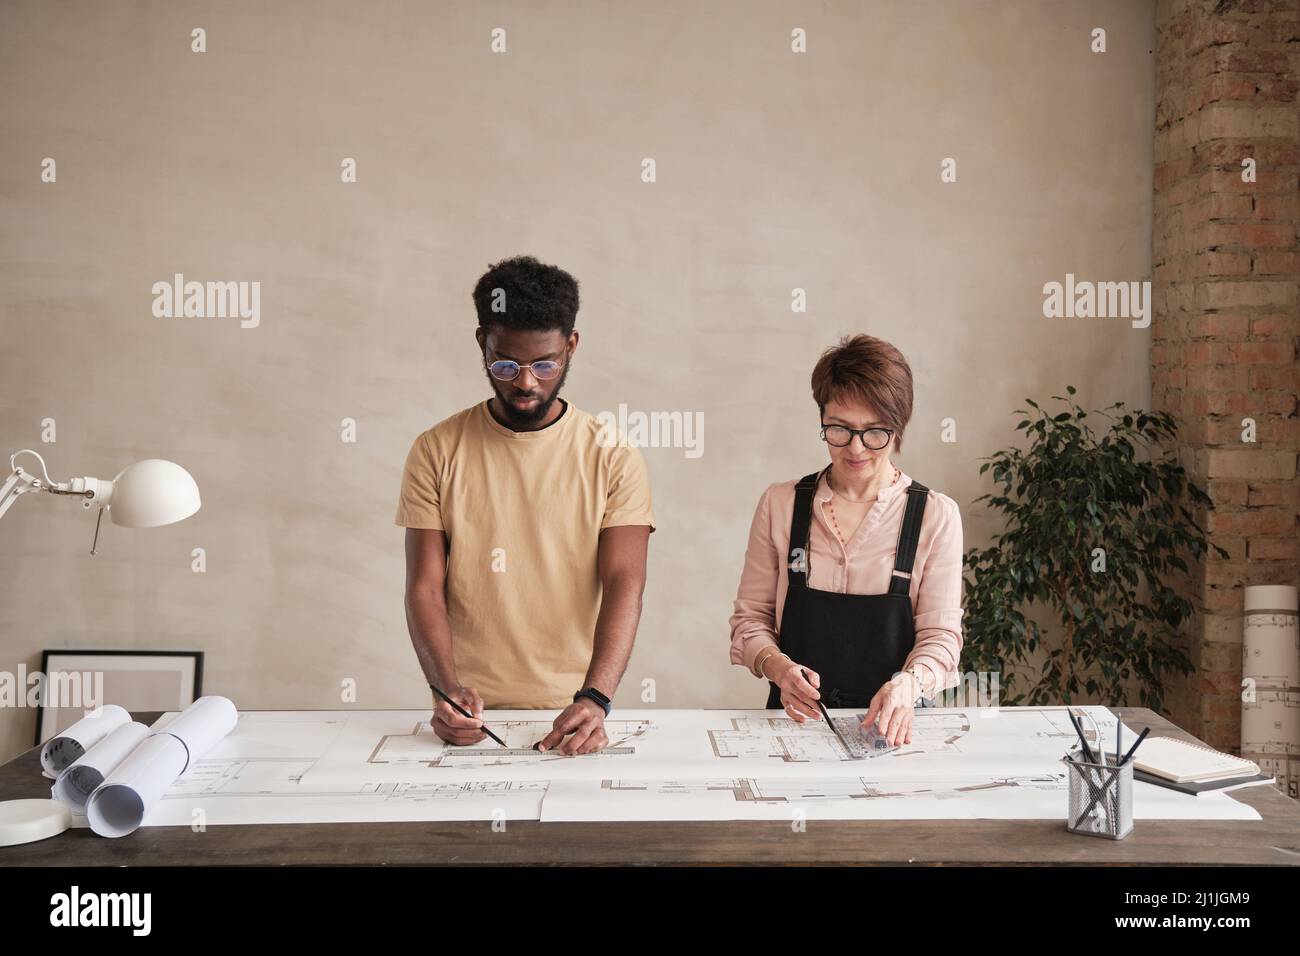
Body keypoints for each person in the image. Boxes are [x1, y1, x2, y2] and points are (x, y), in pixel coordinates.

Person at [396, 255, 654, 755]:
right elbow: (424, 586)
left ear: (571, 345)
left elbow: (626, 580)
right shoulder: (435, 450)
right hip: (473, 711)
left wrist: (597, 697)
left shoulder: (613, 455)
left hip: (576, 707)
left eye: (545, 364)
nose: (526, 383)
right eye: (506, 364)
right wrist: (445, 689)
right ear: (482, 343)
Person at [729, 334, 964, 746]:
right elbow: (751, 621)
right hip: (795, 728)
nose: (856, 448)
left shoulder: (934, 515)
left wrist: (907, 686)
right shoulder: (781, 505)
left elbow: (941, 637)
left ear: (898, 428)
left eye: (874, 432)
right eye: (839, 429)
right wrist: (777, 667)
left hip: (897, 731)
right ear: (822, 420)